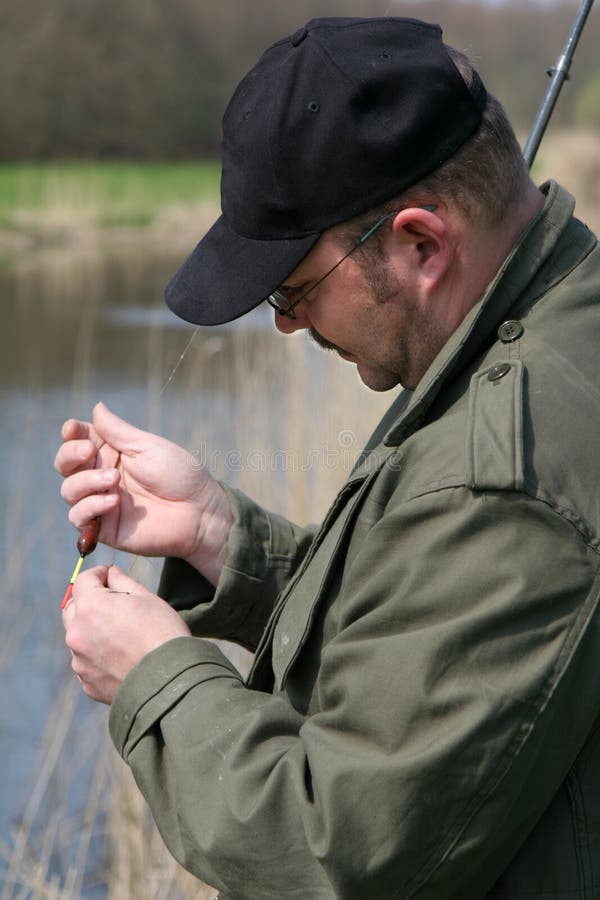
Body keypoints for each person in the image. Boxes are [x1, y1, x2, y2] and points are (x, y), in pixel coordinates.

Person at [54, 16, 600, 900]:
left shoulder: (508, 475)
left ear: (422, 245)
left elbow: (337, 852)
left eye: (294, 289)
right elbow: (437, 622)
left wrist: (155, 677)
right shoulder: (556, 314)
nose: (284, 324)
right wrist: (222, 537)